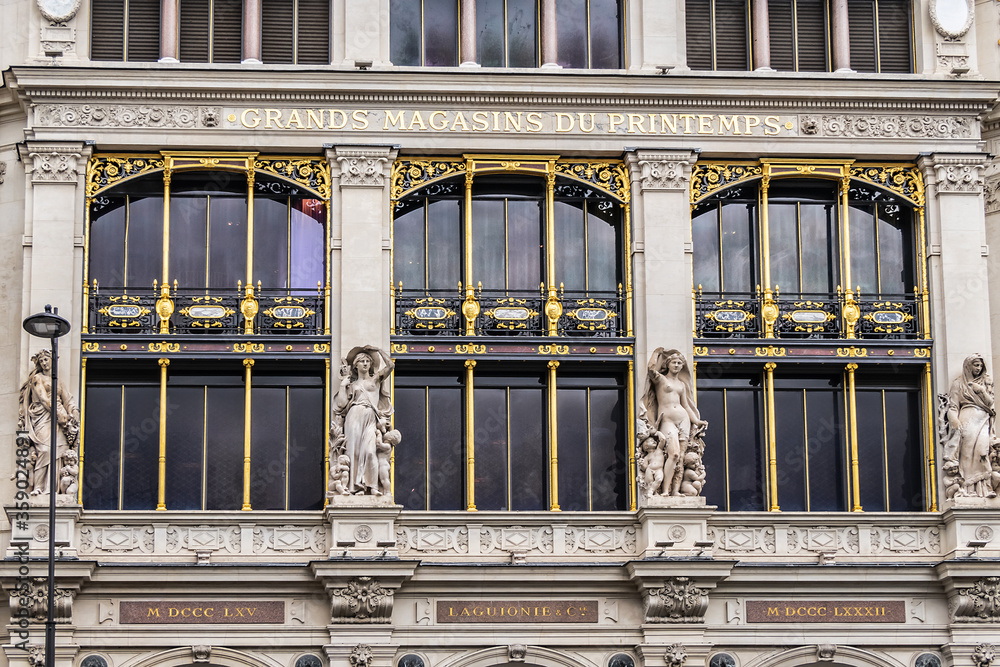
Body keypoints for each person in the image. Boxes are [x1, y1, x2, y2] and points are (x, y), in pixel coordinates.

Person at [641, 348, 707, 495]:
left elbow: (686, 405)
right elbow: (651, 369)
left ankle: (675, 491)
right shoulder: (661, 380)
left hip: (683, 419)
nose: (677, 365)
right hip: (667, 420)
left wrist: (696, 420)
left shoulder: (682, 385)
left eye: (679, 363)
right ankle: (665, 490)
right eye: (674, 362)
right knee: (674, 454)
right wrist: (656, 353)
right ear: (668, 364)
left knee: (681, 457)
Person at [332, 346, 395, 495]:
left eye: (368, 361)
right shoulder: (352, 385)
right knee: (353, 451)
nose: (366, 364)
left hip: (371, 418)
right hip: (354, 415)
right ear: (356, 365)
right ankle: (355, 488)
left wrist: (379, 350)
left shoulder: (376, 379)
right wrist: (343, 384)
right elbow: (340, 404)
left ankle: (372, 487)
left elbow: (391, 365)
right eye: (362, 361)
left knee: (370, 451)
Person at [18, 350, 80, 495]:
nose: (44, 363)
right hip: (43, 416)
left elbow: (68, 400)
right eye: (42, 361)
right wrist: (58, 413)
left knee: (59, 451)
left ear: (52, 360)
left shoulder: (58, 381)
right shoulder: (37, 378)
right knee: (45, 450)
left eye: (46, 359)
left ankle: (52, 490)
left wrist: (74, 412)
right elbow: (44, 399)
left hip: (59, 420)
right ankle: (39, 487)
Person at [946, 354, 997, 498]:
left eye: (980, 365)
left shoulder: (986, 381)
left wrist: (980, 390)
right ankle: (969, 489)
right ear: (968, 365)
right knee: (967, 455)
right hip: (967, 419)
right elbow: (953, 406)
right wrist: (954, 421)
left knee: (982, 452)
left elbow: (990, 403)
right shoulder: (958, 384)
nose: (978, 368)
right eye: (976, 365)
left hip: (982, 419)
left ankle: (985, 488)